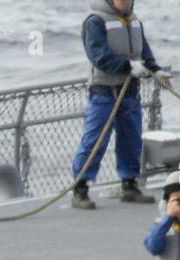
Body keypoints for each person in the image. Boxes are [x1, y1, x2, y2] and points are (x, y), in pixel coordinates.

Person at [70, 0, 164, 208]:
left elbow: (143, 51)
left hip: (130, 91)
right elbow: (98, 55)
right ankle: (80, 187)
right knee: (95, 140)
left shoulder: (134, 20)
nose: (126, 1)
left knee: (131, 139)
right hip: (105, 92)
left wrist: (155, 70)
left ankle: (129, 184)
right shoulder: (95, 21)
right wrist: (127, 66)